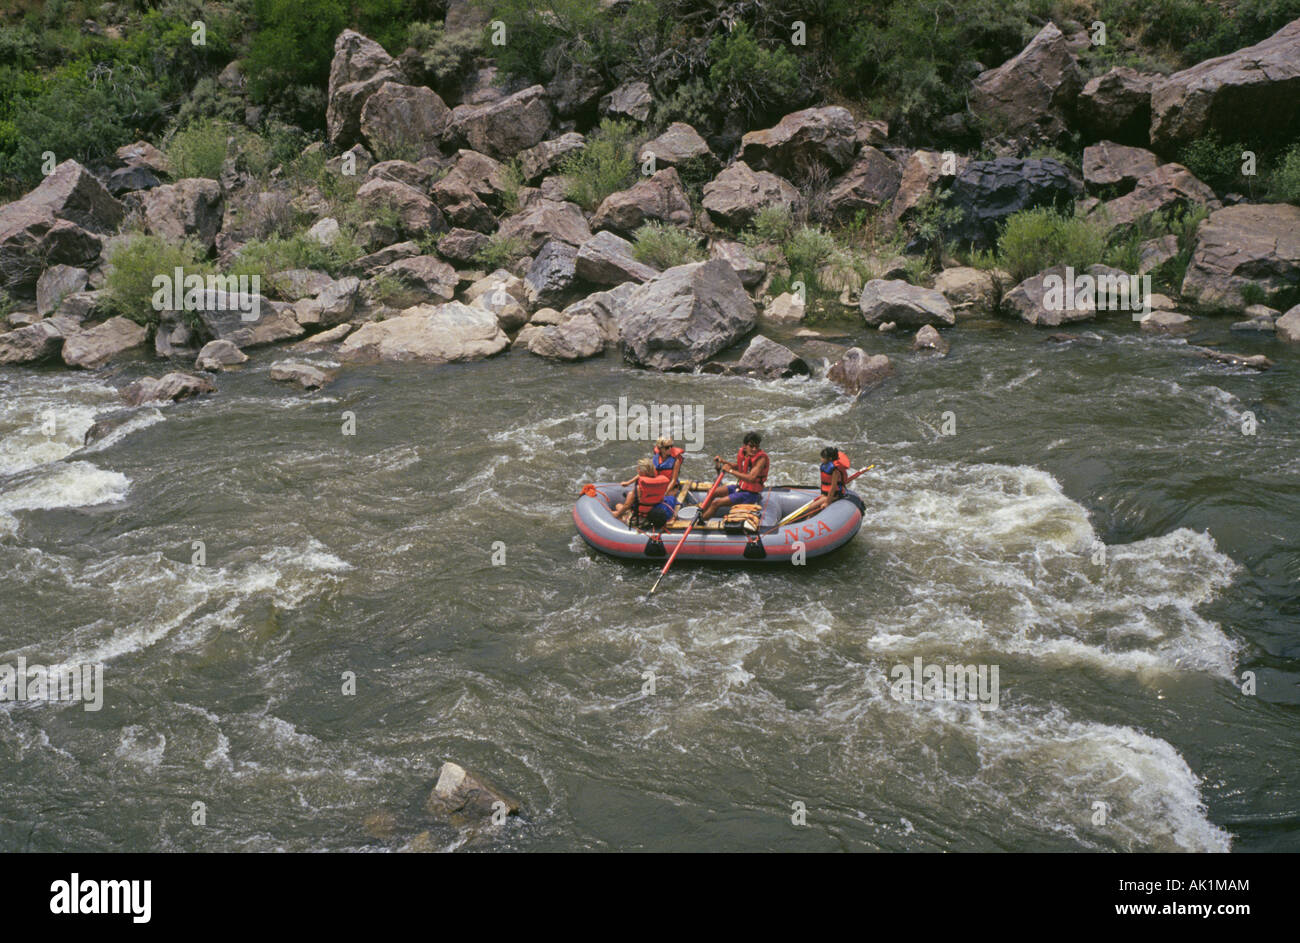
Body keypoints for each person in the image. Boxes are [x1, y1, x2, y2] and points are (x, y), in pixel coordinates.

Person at [697, 431, 768, 524]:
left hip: (750, 494)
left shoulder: (761, 459)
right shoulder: (744, 453)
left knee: (716, 503)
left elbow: (751, 478)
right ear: (745, 446)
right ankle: (701, 514)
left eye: (757, 446)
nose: (754, 449)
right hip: (740, 488)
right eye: (751, 446)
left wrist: (730, 471)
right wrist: (723, 462)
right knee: (712, 492)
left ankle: (700, 523)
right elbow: (740, 467)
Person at [614, 458, 674, 527]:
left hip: (640, 519)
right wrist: (628, 482)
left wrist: (617, 514)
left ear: (642, 471)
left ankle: (622, 522)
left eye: (638, 469)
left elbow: (627, 506)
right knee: (620, 506)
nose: (637, 470)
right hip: (652, 516)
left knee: (618, 506)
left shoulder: (639, 488)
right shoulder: (660, 483)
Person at [802, 447, 851, 517]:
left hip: (835, 495)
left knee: (810, 507)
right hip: (825, 493)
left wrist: (827, 502)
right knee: (813, 510)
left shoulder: (835, 471)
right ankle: (808, 520)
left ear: (830, 459)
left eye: (823, 458)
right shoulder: (825, 466)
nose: (821, 459)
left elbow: (833, 487)